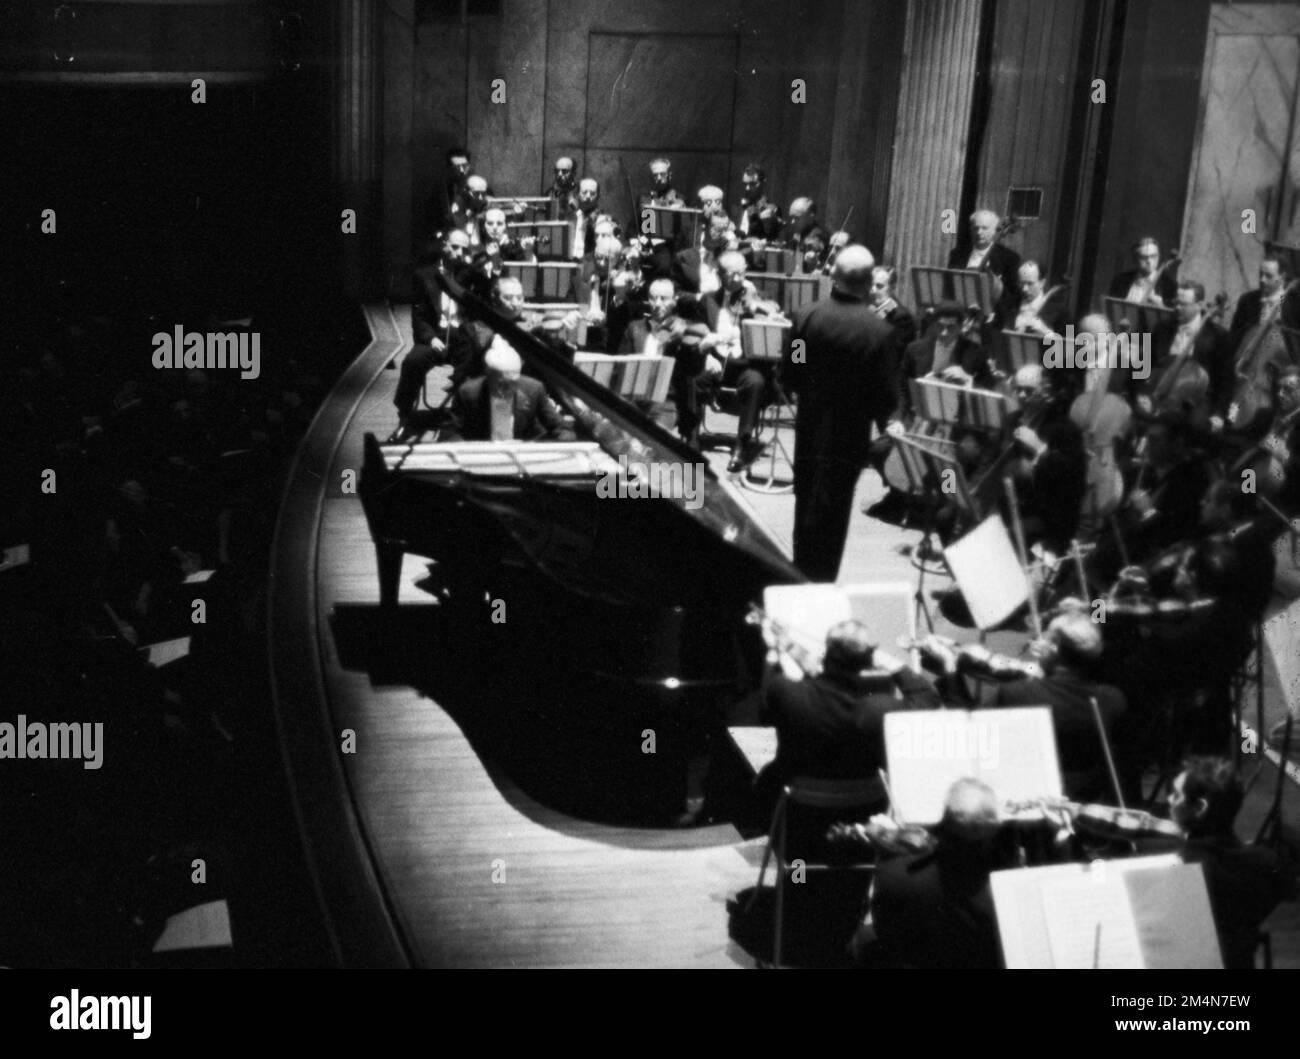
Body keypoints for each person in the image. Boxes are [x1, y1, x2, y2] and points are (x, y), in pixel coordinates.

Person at [782, 245, 898, 580]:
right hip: (850, 438)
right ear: (867, 281)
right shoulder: (880, 333)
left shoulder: (806, 317)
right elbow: (885, 396)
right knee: (835, 516)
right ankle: (823, 581)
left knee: (805, 506)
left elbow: (792, 370)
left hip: (809, 430)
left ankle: (798, 575)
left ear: (834, 275)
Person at [754, 619, 940, 825]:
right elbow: (926, 696)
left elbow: (765, 705)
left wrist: (773, 651)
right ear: (868, 659)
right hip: (867, 813)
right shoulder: (884, 708)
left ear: (826, 655)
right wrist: (886, 660)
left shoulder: (787, 692)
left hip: (801, 813)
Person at [867, 777, 1015, 969]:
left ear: (943, 819)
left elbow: (883, 929)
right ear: (992, 833)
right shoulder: (1005, 890)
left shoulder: (892, 874)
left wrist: (886, 849)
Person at [1165, 756, 1293, 968]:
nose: (1169, 799)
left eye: (1176, 795)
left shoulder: (1181, 868)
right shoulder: (1266, 862)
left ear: (1200, 807)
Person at [992, 612, 1126, 803]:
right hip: (1092, 794)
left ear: (1054, 648)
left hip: (1035, 797)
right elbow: (1100, 626)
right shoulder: (1113, 699)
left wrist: (951, 678)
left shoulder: (1015, 694)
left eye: (1045, 637)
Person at [442, 345, 573, 443]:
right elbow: (450, 433)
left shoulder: (534, 389)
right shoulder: (468, 393)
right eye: (501, 384)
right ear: (488, 377)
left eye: (513, 382)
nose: (508, 389)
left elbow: (560, 428)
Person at [947, 208, 1020, 319]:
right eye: (975, 228)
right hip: (959, 314)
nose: (979, 232)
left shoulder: (1009, 258)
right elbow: (949, 287)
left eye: (984, 228)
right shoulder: (957, 254)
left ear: (995, 230)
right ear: (970, 229)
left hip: (991, 318)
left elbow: (1013, 298)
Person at [1108, 236, 1177, 307]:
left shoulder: (1169, 285)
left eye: (1153, 256)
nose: (1149, 261)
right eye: (1144, 257)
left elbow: (1172, 315)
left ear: (1159, 256)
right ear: (1135, 259)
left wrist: (1162, 307)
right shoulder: (1120, 280)